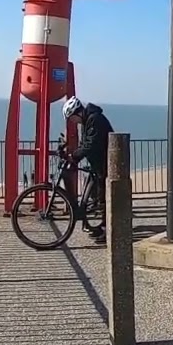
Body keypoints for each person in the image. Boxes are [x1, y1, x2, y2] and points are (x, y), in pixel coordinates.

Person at [62, 96, 115, 239]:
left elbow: (91, 143)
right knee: (98, 196)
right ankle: (101, 225)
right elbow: (84, 144)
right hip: (98, 163)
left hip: (105, 162)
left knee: (104, 198)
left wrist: (75, 156)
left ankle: (107, 230)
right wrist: (74, 156)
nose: (73, 122)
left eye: (72, 118)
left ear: (77, 113)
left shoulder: (95, 119)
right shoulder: (86, 121)